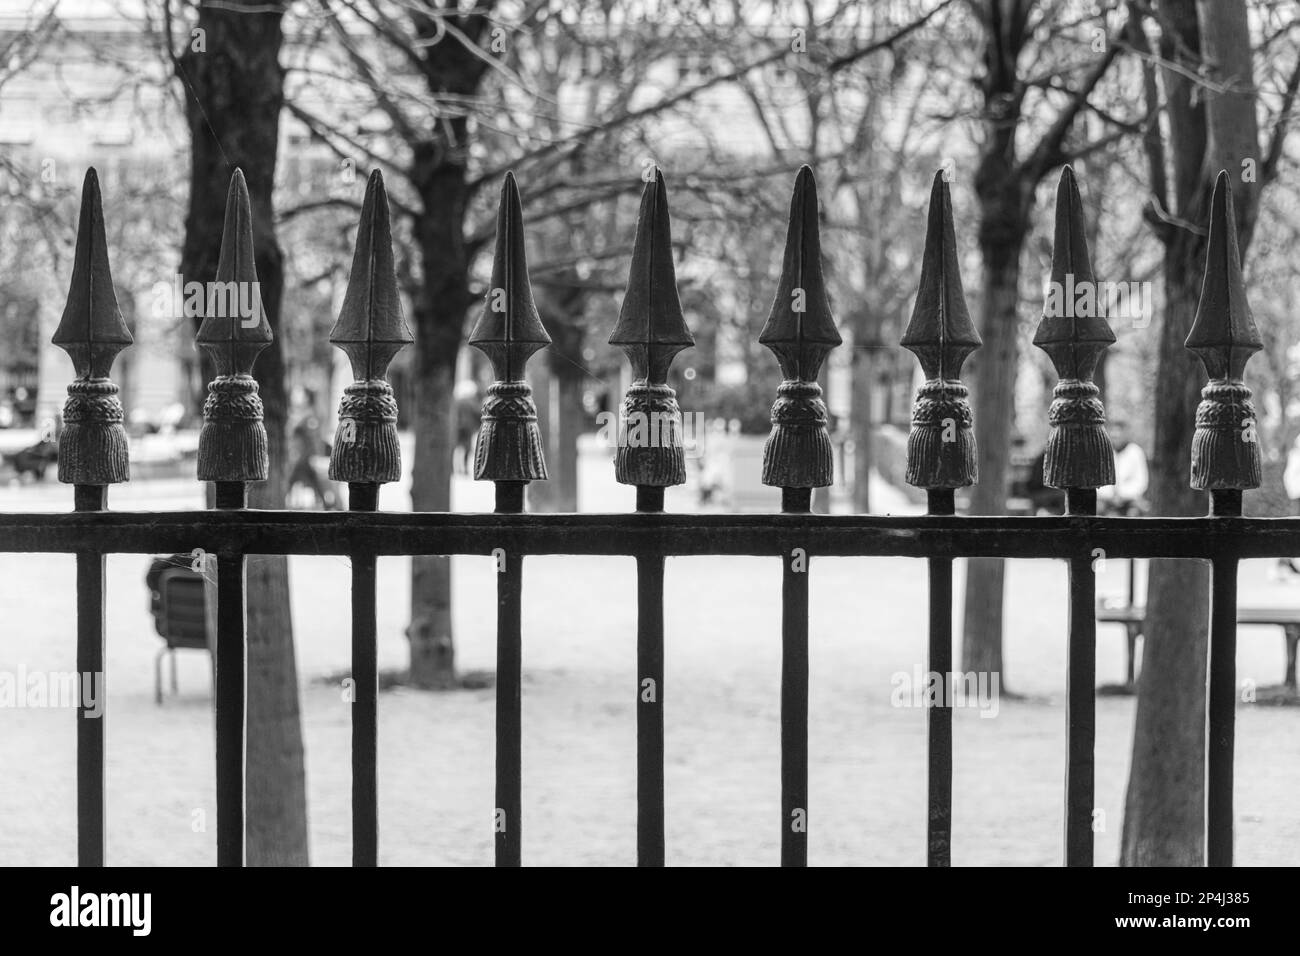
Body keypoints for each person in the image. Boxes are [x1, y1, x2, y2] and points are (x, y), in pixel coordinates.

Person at [1100, 419, 1148, 516]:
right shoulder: (1103, 452)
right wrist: (1111, 496)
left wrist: (1122, 495)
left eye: (1119, 433)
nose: (1116, 436)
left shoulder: (1136, 452)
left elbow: (1141, 482)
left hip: (1130, 499)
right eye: (1113, 433)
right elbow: (1099, 481)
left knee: (1134, 513)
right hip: (1106, 500)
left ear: (1126, 434)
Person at [1280, 435, 1300, 574]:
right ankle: (1283, 562)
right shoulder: (1296, 456)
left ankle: (1286, 562)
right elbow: (1289, 477)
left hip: (1296, 495)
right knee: (1294, 528)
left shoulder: (1295, 455)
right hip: (1297, 496)